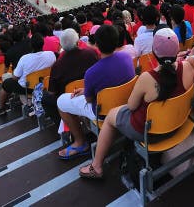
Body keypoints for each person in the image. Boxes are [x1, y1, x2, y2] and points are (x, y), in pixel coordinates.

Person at [78, 28, 194, 179]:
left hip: (151, 132)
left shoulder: (147, 78)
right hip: (178, 123)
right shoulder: (187, 67)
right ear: (177, 49)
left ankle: (97, 166)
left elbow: (132, 106)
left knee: (110, 118)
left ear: (154, 51)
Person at [56, 24, 135, 160]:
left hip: (102, 112)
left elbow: (88, 100)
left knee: (61, 101)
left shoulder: (92, 72)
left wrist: (87, 91)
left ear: (97, 44)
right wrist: (87, 90)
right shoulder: (126, 57)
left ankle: (80, 142)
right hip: (126, 103)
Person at [43, 29, 99, 123]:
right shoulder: (91, 54)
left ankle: (64, 124)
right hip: (91, 93)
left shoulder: (57, 65)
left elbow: (52, 92)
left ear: (62, 46)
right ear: (77, 42)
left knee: (46, 98)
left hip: (71, 97)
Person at [0, 34, 56, 116]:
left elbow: (15, 77)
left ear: (31, 45)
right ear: (43, 43)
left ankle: (1, 107)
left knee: (6, 83)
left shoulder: (25, 58)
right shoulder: (51, 54)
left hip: (28, 88)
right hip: (46, 85)